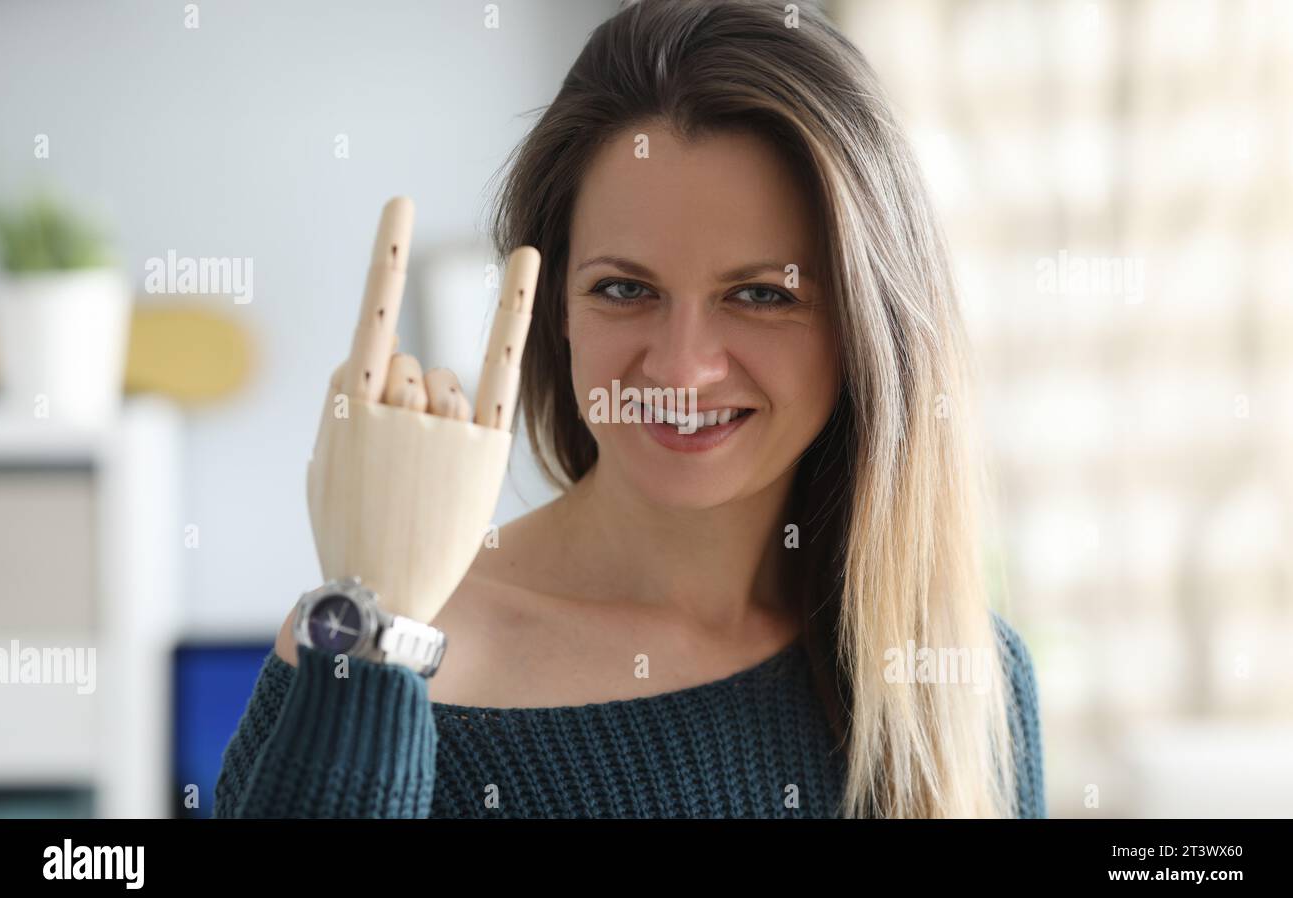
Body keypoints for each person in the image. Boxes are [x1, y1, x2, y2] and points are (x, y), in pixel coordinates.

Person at [214, 0, 1045, 819]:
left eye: (760, 295)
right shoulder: (376, 650)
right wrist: (380, 623)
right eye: (624, 288)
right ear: (556, 311)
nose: (683, 365)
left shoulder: (962, 677)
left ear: (867, 329)